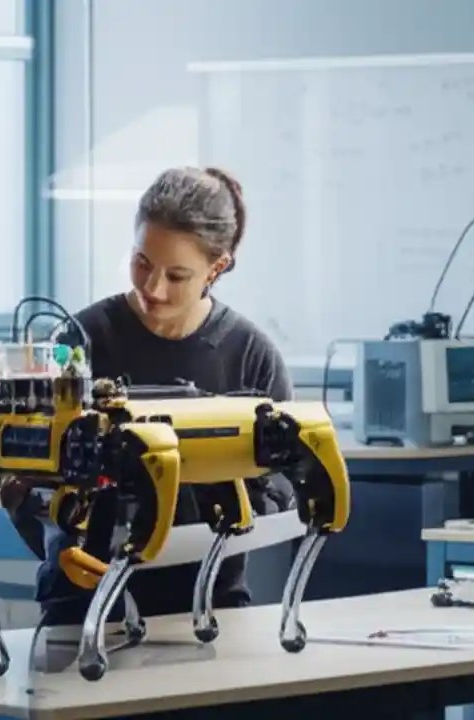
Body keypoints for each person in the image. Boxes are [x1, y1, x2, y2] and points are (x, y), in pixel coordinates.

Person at [28, 165, 296, 627]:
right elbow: (28, 469)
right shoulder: (78, 342)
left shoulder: (251, 357)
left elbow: (285, 483)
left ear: (218, 267)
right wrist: (63, 524)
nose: (152, 288)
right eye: (142, 262)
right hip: (85, 607)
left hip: (208, 608)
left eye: (176, 275)